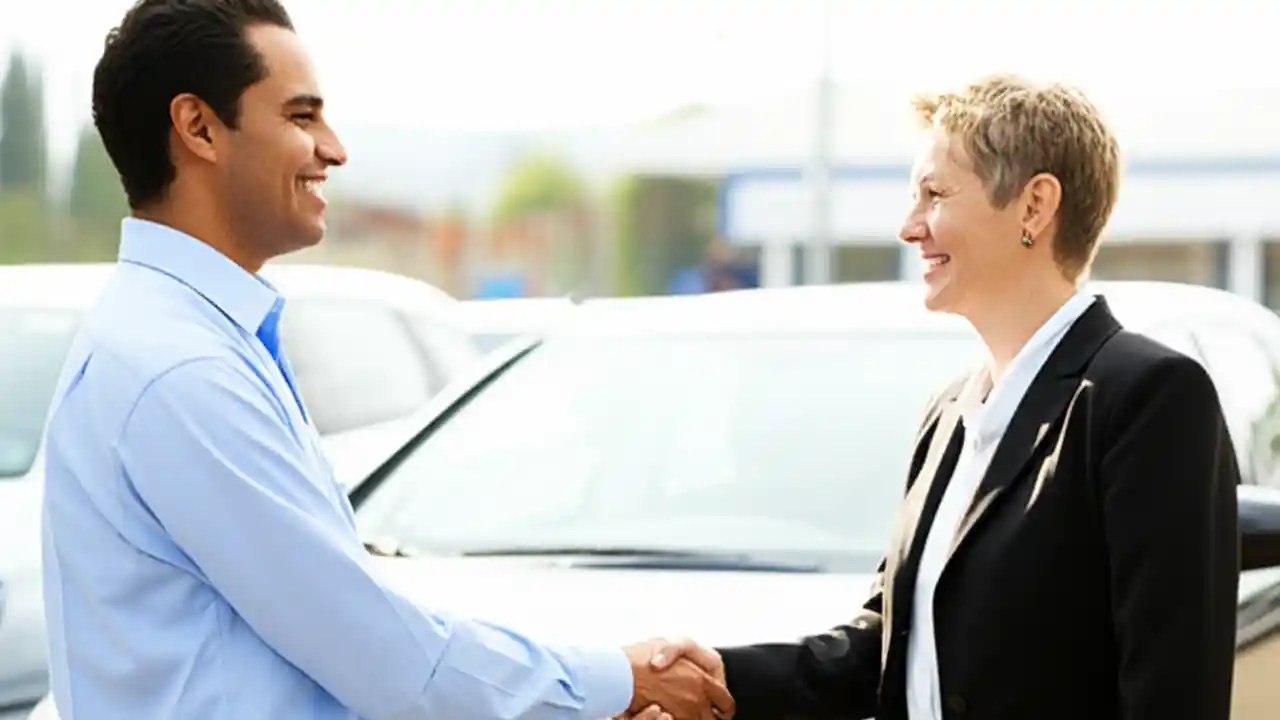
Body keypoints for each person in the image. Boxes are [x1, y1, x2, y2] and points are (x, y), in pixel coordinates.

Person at [39, 2, 732, 719]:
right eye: (301, 117)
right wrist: (615, 683)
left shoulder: (184, 341)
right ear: (200, 128)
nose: (333, 150)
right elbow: (381, 655)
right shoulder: (177, 370)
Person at [635, 74, 1241, 719]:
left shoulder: (1147, 398)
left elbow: (1172, 694)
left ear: (1034, 206)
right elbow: (887, 649)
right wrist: (717, 678)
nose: (908, 227)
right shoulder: (950, 413)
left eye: (935, 194)